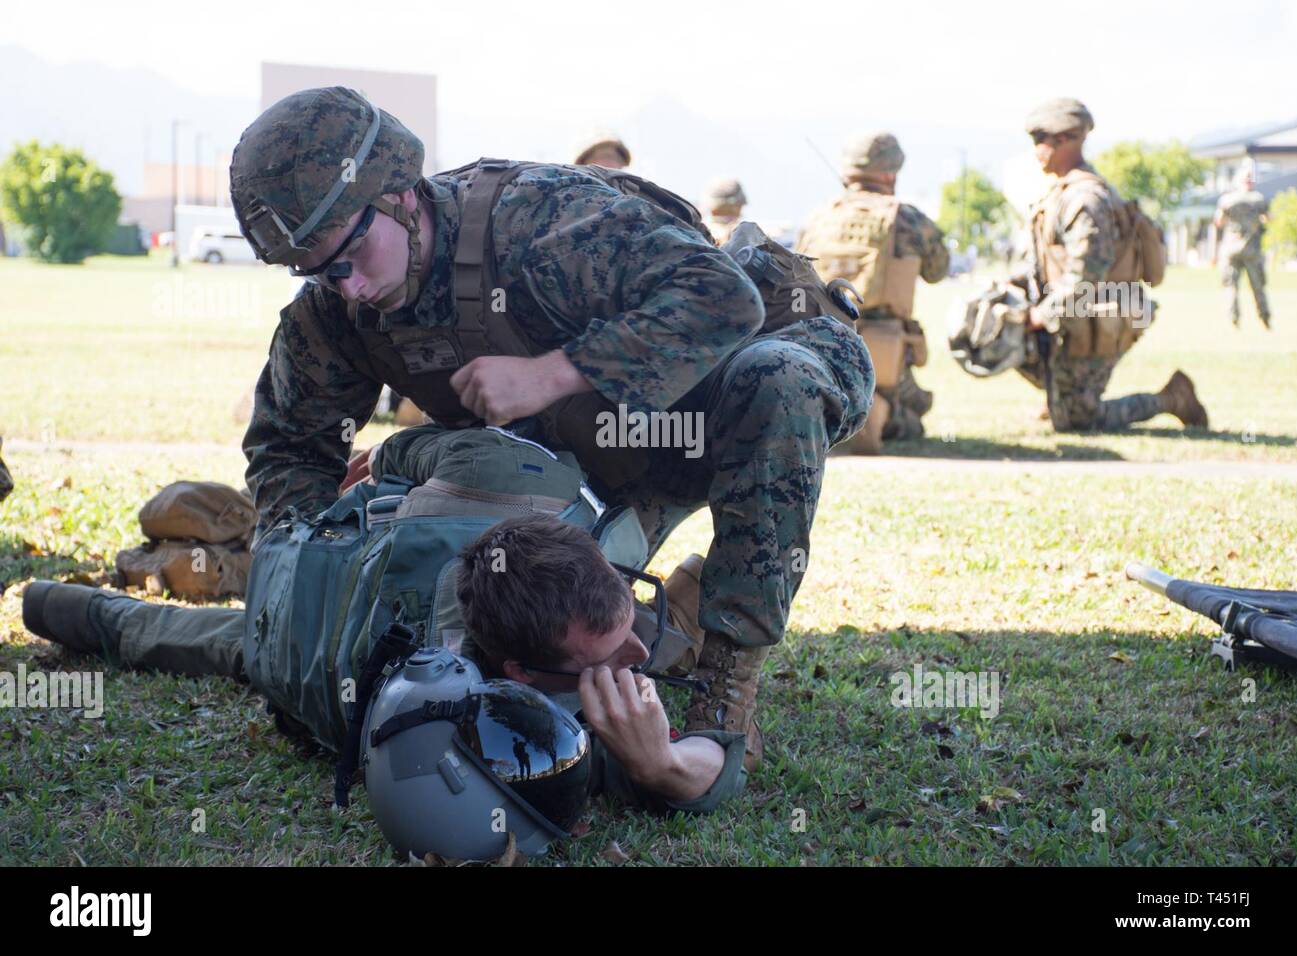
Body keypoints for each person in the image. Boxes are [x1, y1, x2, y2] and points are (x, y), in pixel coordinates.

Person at [228, 87, 873, 771]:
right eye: (319, 270)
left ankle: (725, 680)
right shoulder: (333, 311)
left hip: (716, 401)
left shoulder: (537, 219)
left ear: (400, 195)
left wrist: (552, 373)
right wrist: (300, 597)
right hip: (590, 464)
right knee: (537, 632)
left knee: (778, 380)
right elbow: (289, 449)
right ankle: (667, 607)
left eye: (350, 257)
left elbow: (723, 300)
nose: (347, 286)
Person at [22, 505, 747, 816]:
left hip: (343, 559)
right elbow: (715, 762)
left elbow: (425, 450)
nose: (638, 655)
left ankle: (51, 601)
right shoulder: (477, 719)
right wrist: (660, 767)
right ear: (523, 678)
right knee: (197, 639)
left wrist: (379, 468)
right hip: (301, 634)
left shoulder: (524, 538)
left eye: (625, 621)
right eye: (608, 653)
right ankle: (50, 604)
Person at [1016, 97, 1208, 432]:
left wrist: (1041, 315)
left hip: (1102, 313)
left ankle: (1173, 398)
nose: (1035, 150)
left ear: (1064, 140)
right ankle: (1062, 392)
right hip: (1080, 313)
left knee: (1077, 422)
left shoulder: (1084, 200)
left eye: (1039, 140)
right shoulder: (1061, 192)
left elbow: (1087, 275)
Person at [798, 132, 948, 446]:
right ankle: (880, 413)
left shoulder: (818, 218)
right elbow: (938, 271)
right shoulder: (906, 218)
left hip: (821, 340)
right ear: (890, 173)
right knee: (911, 417)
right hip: (885, 347)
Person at [1214, 164, 1271, 329]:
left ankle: (1234, 318)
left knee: (1231, 286)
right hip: (1252, 249)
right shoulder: (1258, 199)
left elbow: (1219, 221)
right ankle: (1264, 316)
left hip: (1230, 249)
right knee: (1258, 286)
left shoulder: (1227, 199)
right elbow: (1268, 218)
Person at [702, 178, 747, 245]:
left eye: (735, 207)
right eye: (722, 210)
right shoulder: (700, 231)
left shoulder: (747, 231)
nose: (731, 212)